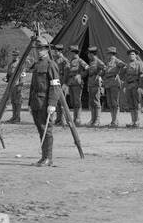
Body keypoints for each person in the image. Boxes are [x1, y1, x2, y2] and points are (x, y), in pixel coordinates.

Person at [26, 36, 60, 167]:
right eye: (37, 48)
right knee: (41, 130)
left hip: (45, 101)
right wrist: (30, 103)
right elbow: (32, 86)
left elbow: (55, 86)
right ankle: (43, 156)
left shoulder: (51, 65)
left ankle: (48, 158)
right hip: (36, 101)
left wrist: (52, 104)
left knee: (47, 130)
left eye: (42, 48)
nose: (39, 51)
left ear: (47, 50)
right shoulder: (37, 65)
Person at [64, 44, 87, 127]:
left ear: (74, 52)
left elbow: (87, 69)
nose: (70, 54)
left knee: (77, 101)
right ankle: (74, 119)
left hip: (77, 83)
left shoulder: (80, 60)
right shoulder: (71, 61)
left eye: (71, 52)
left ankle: (78, 119)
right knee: (73, 102)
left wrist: (80, 75)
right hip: (71, 83)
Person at [122, 48, 143, 128]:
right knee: (130, 104)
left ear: (136, 55)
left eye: (133, 54)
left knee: (136, 103)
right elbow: (125, 76)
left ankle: (137, 121)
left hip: (136, 85)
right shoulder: (127, 65)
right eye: (130, 54)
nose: (131, 56)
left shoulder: (139, 64)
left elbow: (142, 76)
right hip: (129, 86)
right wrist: (125, 86)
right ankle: (133, 121)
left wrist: (140, 86)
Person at [101, 46, 123, 127]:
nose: (107, 55)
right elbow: (105, 72)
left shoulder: (116, 61)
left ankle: (115, 120)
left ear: (112, 54)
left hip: (114, 83)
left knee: (115, 103)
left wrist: (119, 76)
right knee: (110, 103)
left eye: (108, 54)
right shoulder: (107, 62)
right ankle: (113, 120)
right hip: (108, 83)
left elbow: (123, 66)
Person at [5, 54, 24, 123]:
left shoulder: (20, 64)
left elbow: (22, 75)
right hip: (11, 84)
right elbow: (8, 74)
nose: (14, 56)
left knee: (18, 101)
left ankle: (17, 117)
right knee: (13, 101)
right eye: (13, 55)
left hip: (17, 85)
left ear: (18, 56)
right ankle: (13, 116)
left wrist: (20, 85)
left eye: (16, 55)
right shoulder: (10, 64)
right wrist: (6, 79)